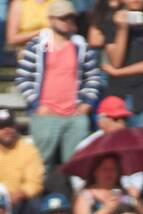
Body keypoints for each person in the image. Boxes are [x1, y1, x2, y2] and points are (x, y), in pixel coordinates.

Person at [14, 0, 102, 172]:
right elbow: (23, 78)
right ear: (51, 19)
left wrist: (86, 104)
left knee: (76, 167)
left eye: (70, 18)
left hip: (74, 116)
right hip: (45, 115)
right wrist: (37, 105)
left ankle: (73, 197)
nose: (67, 22)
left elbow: (92, 77)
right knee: (40, 166)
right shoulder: (36, 46)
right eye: (63, 18)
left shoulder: (81, 46)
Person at [93, 0, 143, 128]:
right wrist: (122, 29)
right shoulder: (111, 23)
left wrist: (119, 72)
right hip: (117, 96)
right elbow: (116, 62)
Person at [0, 107, 44, 214]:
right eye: (1, 127)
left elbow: (35, 182)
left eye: (10, 126)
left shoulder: (28, 149)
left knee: (35, 205)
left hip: (17, 200)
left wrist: (21, 193)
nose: (7, 130)